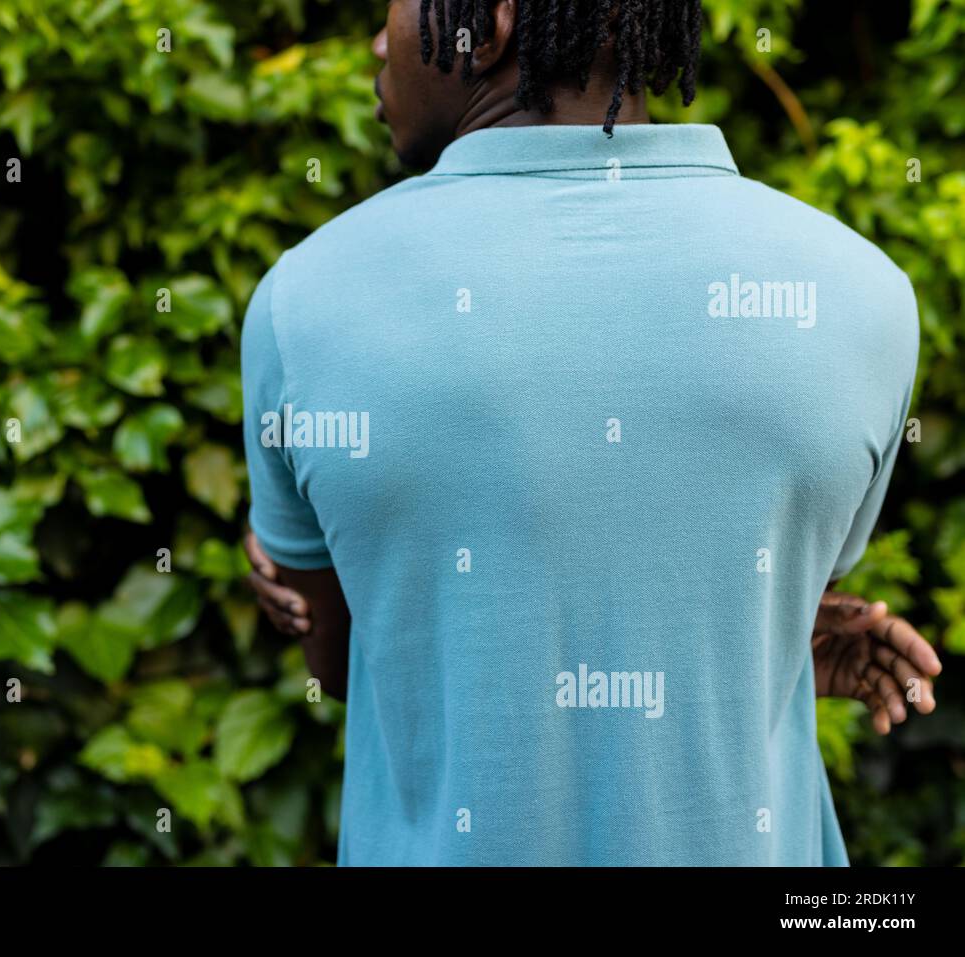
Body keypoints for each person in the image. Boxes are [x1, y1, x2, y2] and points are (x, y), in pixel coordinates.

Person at [239, 0, 941, 865]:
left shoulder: (304, 303)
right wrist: (763, 654)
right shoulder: (863, 294)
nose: (378, 42)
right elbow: (740, 581)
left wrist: (279, 564)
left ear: (487, 25)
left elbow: (347, 662)